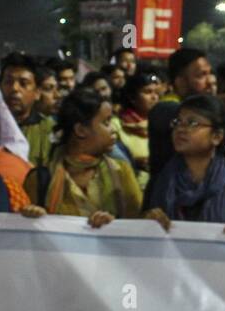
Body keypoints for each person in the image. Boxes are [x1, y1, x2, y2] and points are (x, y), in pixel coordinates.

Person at [25, 88, 143, 227]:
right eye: (106, 123)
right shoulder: (40, 180)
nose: (113, 129)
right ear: (80, 130)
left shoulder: (122, 171)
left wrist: (113, 225)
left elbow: (137, 225)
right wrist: (34, 217)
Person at [144, 94, 225, 237]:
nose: (181, 129)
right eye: (177, 122)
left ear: (216, 136)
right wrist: (148, 219)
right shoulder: (162, 179)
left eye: (192, 123)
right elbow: (140, 225)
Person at [147, 47, 215, 181]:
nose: (210, 81)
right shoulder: (165, 109)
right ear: (181, 81)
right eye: (201, 75)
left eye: (210, 73)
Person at [0, 52, 54, 168]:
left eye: (23, 83)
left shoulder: (49, 130)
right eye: (8, 82)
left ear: (37, 93)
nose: (14, 88)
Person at [117, 69, 161, 188]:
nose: (154, 97)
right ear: (133, 97)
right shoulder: (117, 124)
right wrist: (135, 162)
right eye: (148, 92)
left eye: (157, 92)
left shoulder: (163, 123)